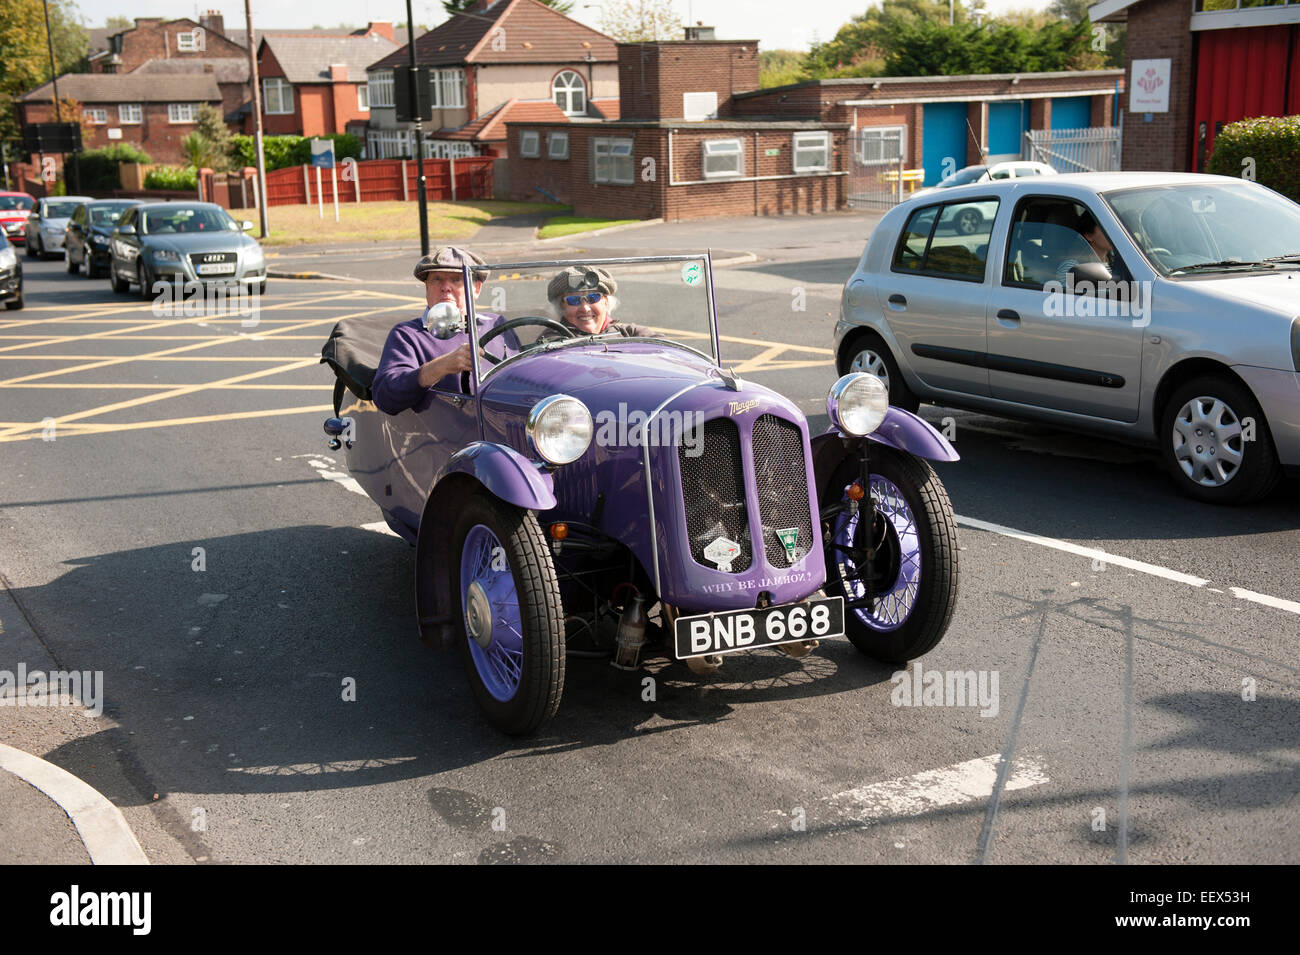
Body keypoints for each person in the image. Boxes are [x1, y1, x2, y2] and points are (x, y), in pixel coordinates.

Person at [371, 247, 518, 415]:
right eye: (437, 279)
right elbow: (385, 397)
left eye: (456, 279)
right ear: (427, 287)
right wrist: (441, 366)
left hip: (502, 429)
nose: (445, 287)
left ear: (476, 289)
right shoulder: (408, 334)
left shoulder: (496, 325)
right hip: (442, 436)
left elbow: (522, 380)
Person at [538, 266, 651, 341]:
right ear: (562, 306)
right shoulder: (552, 342)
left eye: (593, 298)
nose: (585, 308)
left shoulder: (631, 334)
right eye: (574, 300)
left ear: (606, 301)